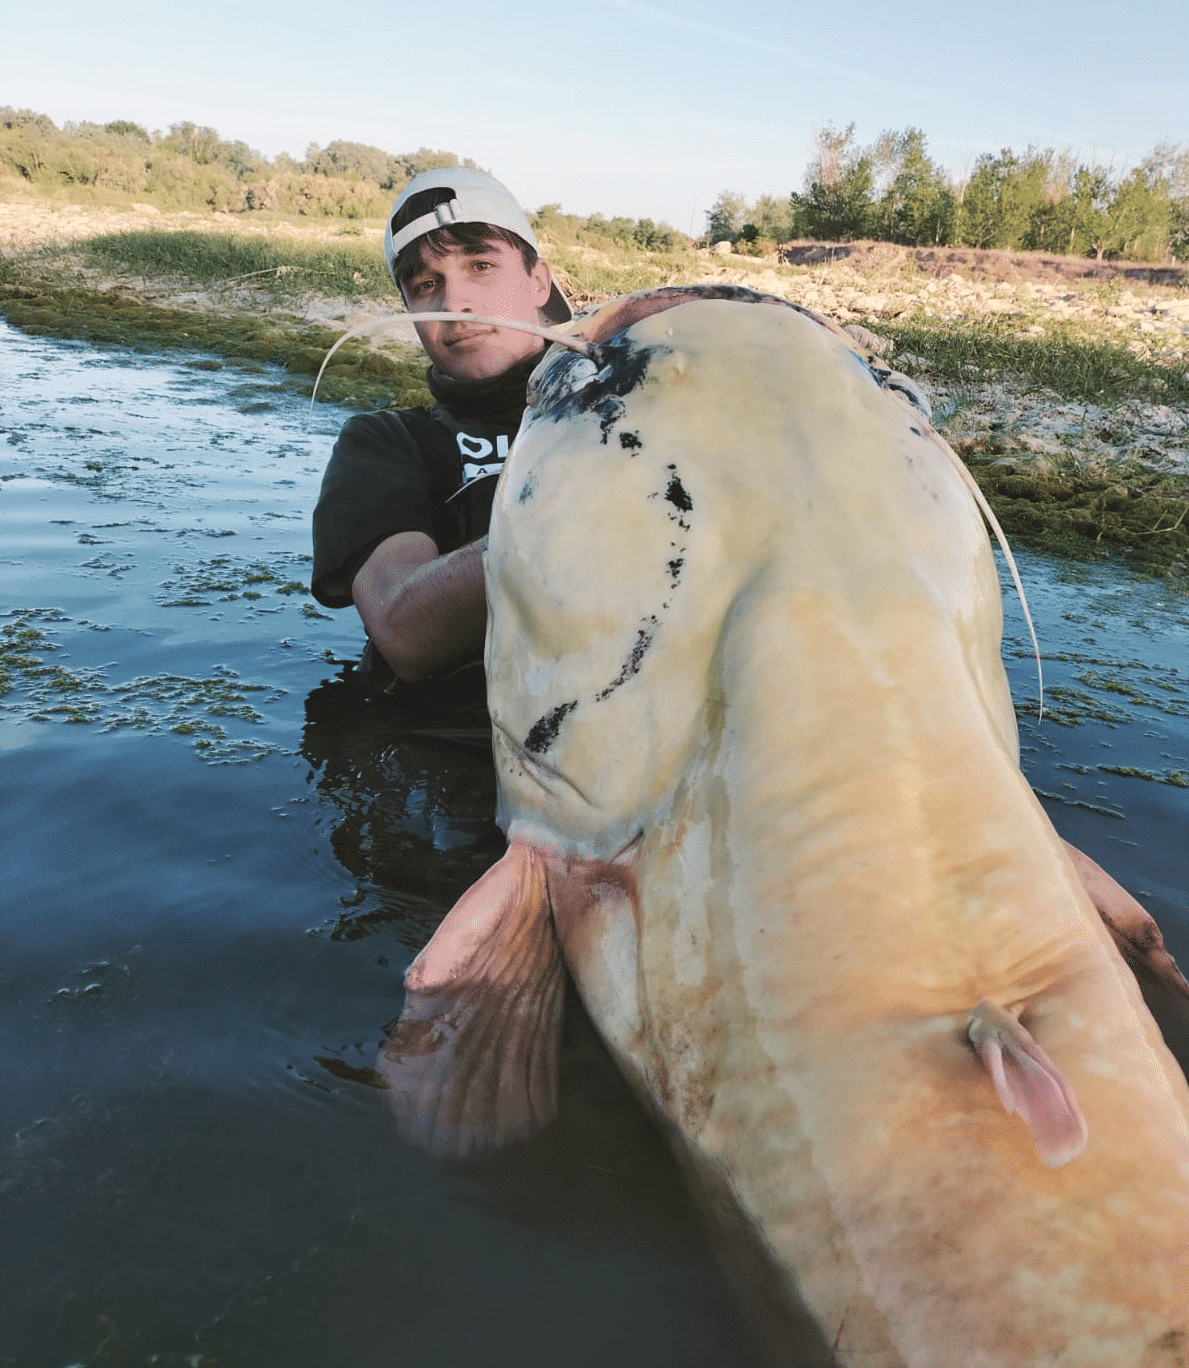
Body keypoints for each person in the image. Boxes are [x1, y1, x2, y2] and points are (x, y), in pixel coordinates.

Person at [310, 167, 571, 692]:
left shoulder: (633, 409)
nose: (456, 303)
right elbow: (405, 634)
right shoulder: (384, 443)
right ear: (408, 311)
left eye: (481, 266)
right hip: (437, 748)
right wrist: (592, 505)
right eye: (426, 285)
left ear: (537, 281)